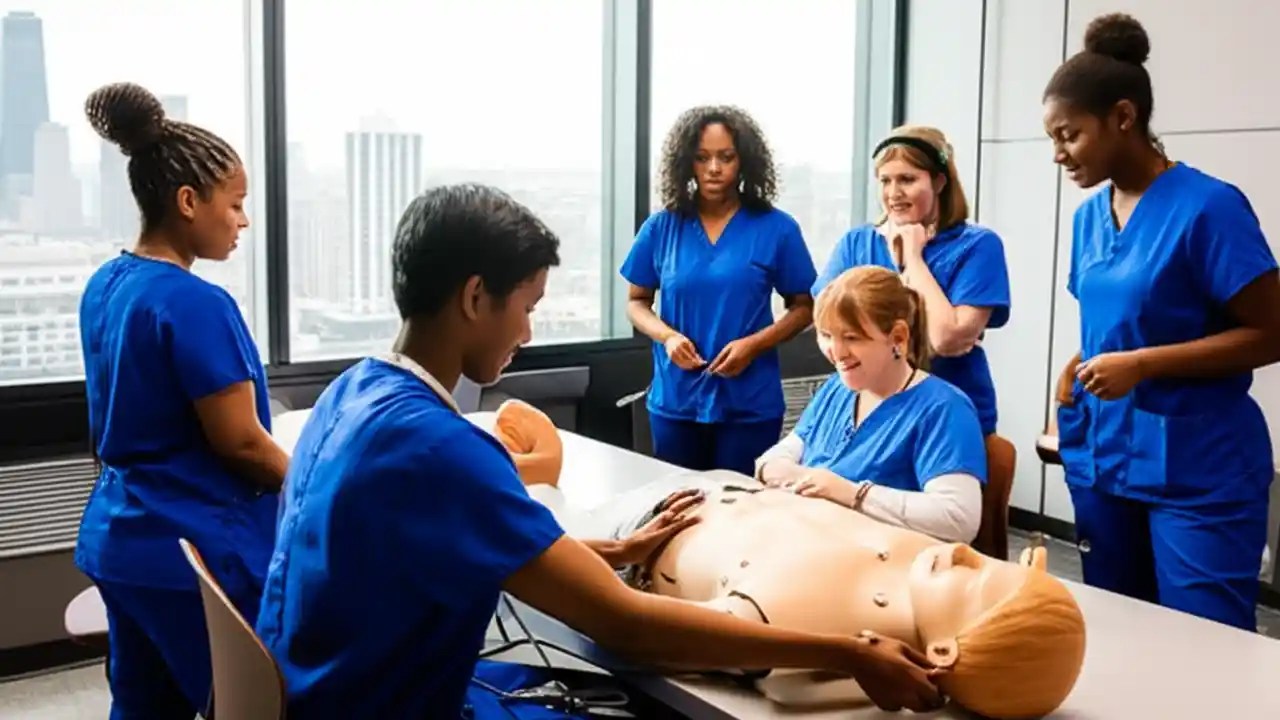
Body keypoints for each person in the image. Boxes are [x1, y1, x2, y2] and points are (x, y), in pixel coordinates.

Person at [256, 184, 944, 719]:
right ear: (474, 297)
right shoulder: (441, 449)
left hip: (314, 688)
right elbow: (628, 627)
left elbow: (457, 542)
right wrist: (850, 652)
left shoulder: (353, 392)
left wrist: (614, 552)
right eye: (527, 305)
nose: (528, 329)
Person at [492, 405, 1086, 720]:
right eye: (983, 561)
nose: (963, 552)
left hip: (642, 540)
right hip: (717, 494)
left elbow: (642, 631)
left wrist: (847, 661)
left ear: (942, 655)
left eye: (974, 578)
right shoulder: (924, 562)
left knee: (537, 525)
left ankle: (543, 489)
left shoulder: (835, 633)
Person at [1043, 13, 1280, 631]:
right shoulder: (1089, 218)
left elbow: (1272, 331)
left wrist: (1144, 364)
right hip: (1105, 455)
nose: (1058, 154)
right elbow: (1121, 320)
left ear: (1123, 117)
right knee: (1118, 634)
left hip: (1198, 468)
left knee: (1205, 645)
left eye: (1069, 135)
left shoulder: (1209, 207)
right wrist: (1078, 365)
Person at [75, 83, 288, 719]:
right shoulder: (195, 304)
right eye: (237, 204)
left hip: (120, 538)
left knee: (146, 707)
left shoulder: (106, 284)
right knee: (257, 705)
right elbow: (243, 444)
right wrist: (318, 487)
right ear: (189, 201)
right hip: (192, 552)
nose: (244, 220)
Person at [621, 105, 817, 476]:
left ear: (744, 161)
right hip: (676, 400)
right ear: (686, 163)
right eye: (702, 158)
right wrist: (667, 337)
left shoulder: (778, 228)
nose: (714, 168)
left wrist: (754, 346)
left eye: (726, 157)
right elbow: (636, 301)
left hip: (749, 403)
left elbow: (804, 308)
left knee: (740, 511)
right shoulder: (661, 227)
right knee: (680, 509)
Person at [756, 266, 988, 544]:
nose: (837, 353)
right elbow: (782, 454)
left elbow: (958, 519)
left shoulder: (944, 409)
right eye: (826, 335)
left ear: (898, 338)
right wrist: (774, 468)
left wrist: (852, 493)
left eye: (852, 338)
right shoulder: (837, 390)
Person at [813, 126, 1011, 436]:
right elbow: (827, 328)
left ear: (939, 182)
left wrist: (914, 260)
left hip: (950, 414)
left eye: (907, 179)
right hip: (868, 410)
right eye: (885, 181)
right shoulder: (857, 243)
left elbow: (947, 339)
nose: (893, 193)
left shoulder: (978, 245)